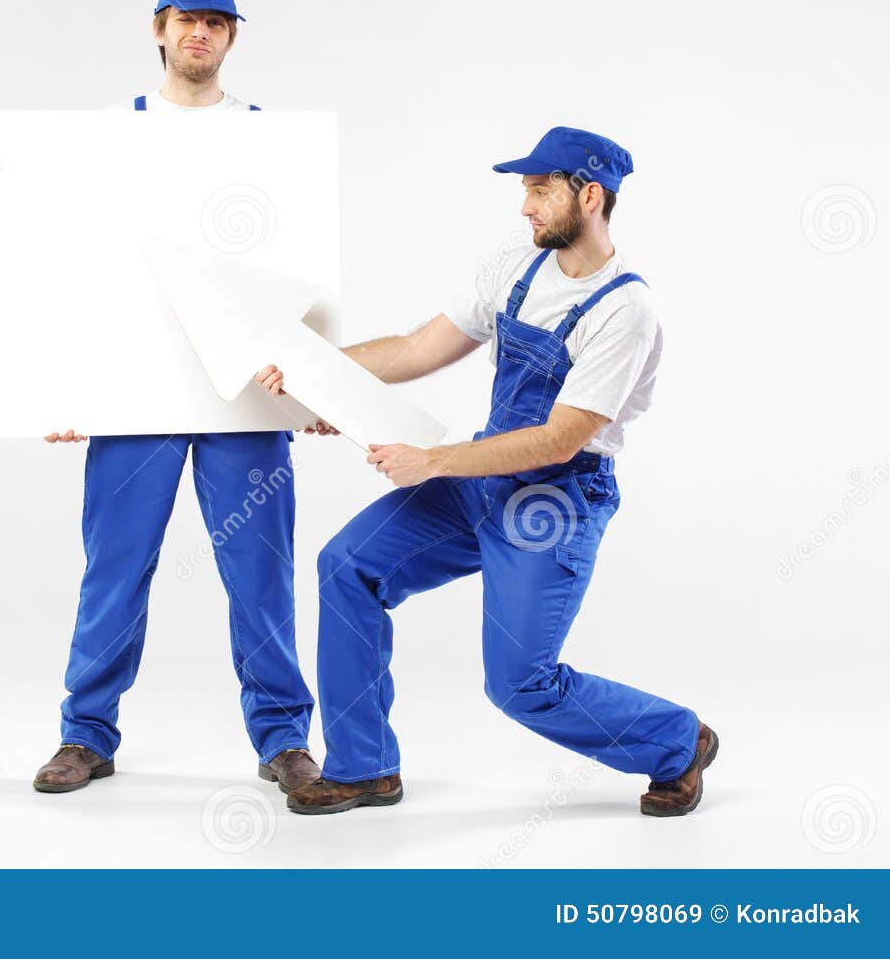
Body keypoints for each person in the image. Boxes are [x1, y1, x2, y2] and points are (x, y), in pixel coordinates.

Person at [256, 126, 716, 817]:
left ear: (589, 196)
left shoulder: (625, 309)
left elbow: (561, 440)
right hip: (483, 478)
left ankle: (675, 741)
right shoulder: (517, 264)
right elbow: (420, 347)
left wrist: (433, 462)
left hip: (554, 502)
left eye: (539, 190)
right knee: (348, 566)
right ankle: (364, 766)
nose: (525, 207)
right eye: (524, 190)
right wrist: (313, 370)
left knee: (520, 685)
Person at [32, 0, 320, 796]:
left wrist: (314, 386)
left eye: (216, 22)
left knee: (261, 574)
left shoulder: (271, 141)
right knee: (115, 569)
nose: (200, 33)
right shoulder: (111, 137)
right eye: (186, 20)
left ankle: (284, 738)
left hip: (245, 392)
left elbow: (299, 273)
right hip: (138, 390)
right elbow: (78, 266)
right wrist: (66, 382)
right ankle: (85, 735)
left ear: (233, 36)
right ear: (158, 28)